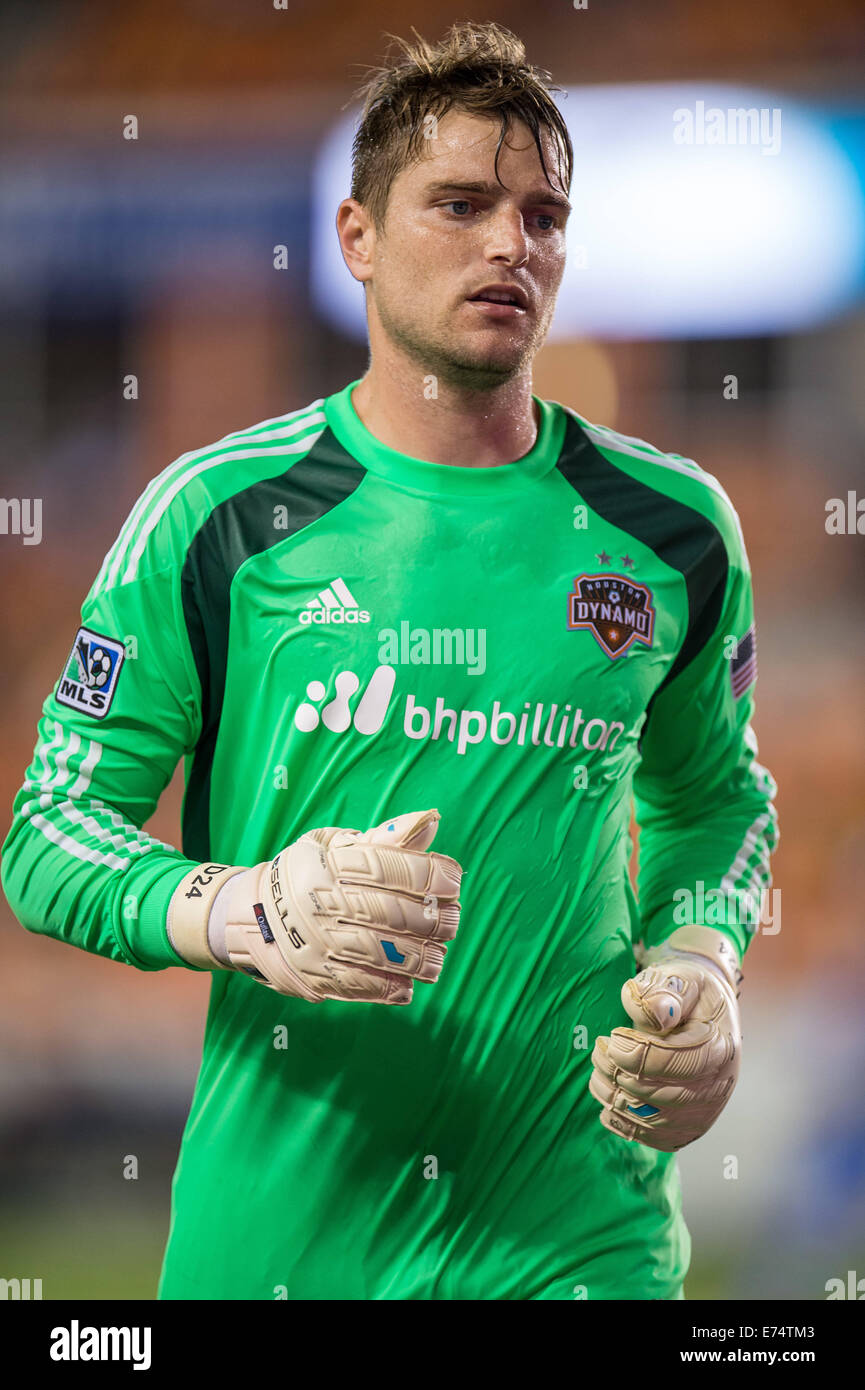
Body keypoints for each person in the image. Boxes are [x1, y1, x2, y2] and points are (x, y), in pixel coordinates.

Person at [1, 21, 778, 1300]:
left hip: (582, 1245)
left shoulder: (674, 529)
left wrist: (698, 962)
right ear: (357, 236)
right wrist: (242, 910)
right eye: (461, 205)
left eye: (543, 215)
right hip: (283, 1249)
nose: (508, 245)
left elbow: (713, 801)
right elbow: (49, 836)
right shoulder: (223, 515)